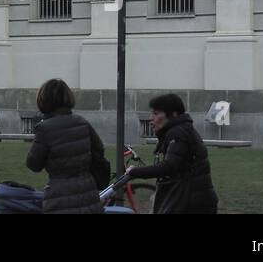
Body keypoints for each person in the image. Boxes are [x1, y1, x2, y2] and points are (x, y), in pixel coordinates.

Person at [121, 93, 219, 213]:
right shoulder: (181, 130)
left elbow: (169, 166)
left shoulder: (178, 133)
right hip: (193, 199)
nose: (151, 119)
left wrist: (135, 172)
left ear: (173, 114)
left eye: (156, 114)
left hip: (190, 202)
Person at [24, 78, 108, 213]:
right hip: (88, 192)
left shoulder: (44, 129)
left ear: (43, 100)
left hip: (60, 197)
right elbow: (99, 149)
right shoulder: (82, 122)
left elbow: (33, 164)